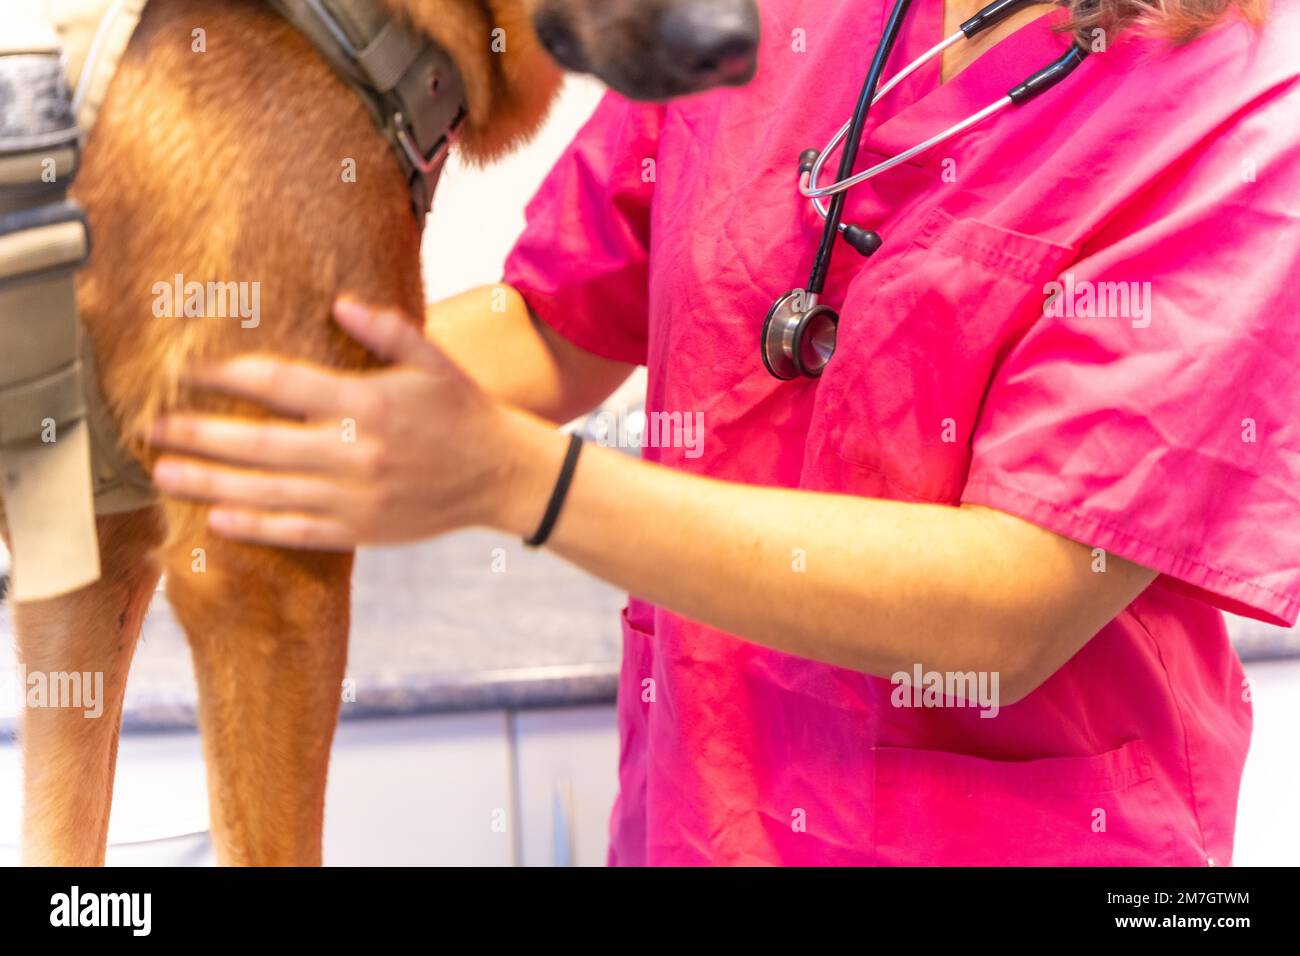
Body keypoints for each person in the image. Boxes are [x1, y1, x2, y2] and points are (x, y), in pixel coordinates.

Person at [148, 0, 1300, 865]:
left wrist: (525, 487)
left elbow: (1015, 604)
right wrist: (202, 386)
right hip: (704, 813)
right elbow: (559, 318)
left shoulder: (1241, 113)